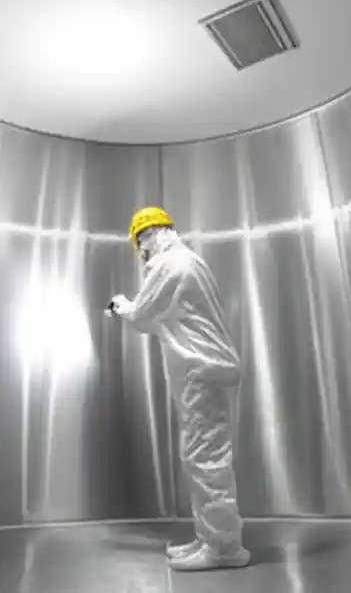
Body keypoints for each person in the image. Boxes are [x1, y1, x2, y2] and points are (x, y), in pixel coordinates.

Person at [107, 206, 251, 572]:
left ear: (145, 238)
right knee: (199, 456)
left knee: (205, 458)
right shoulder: (189, 262)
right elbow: (170, 321)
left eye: (141, 243)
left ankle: (223, 548)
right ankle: (209, 538)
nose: (142, 252)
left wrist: (122, 306)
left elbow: (142, 317)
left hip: (203, 371)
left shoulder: (168, 265)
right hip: (206, 369)